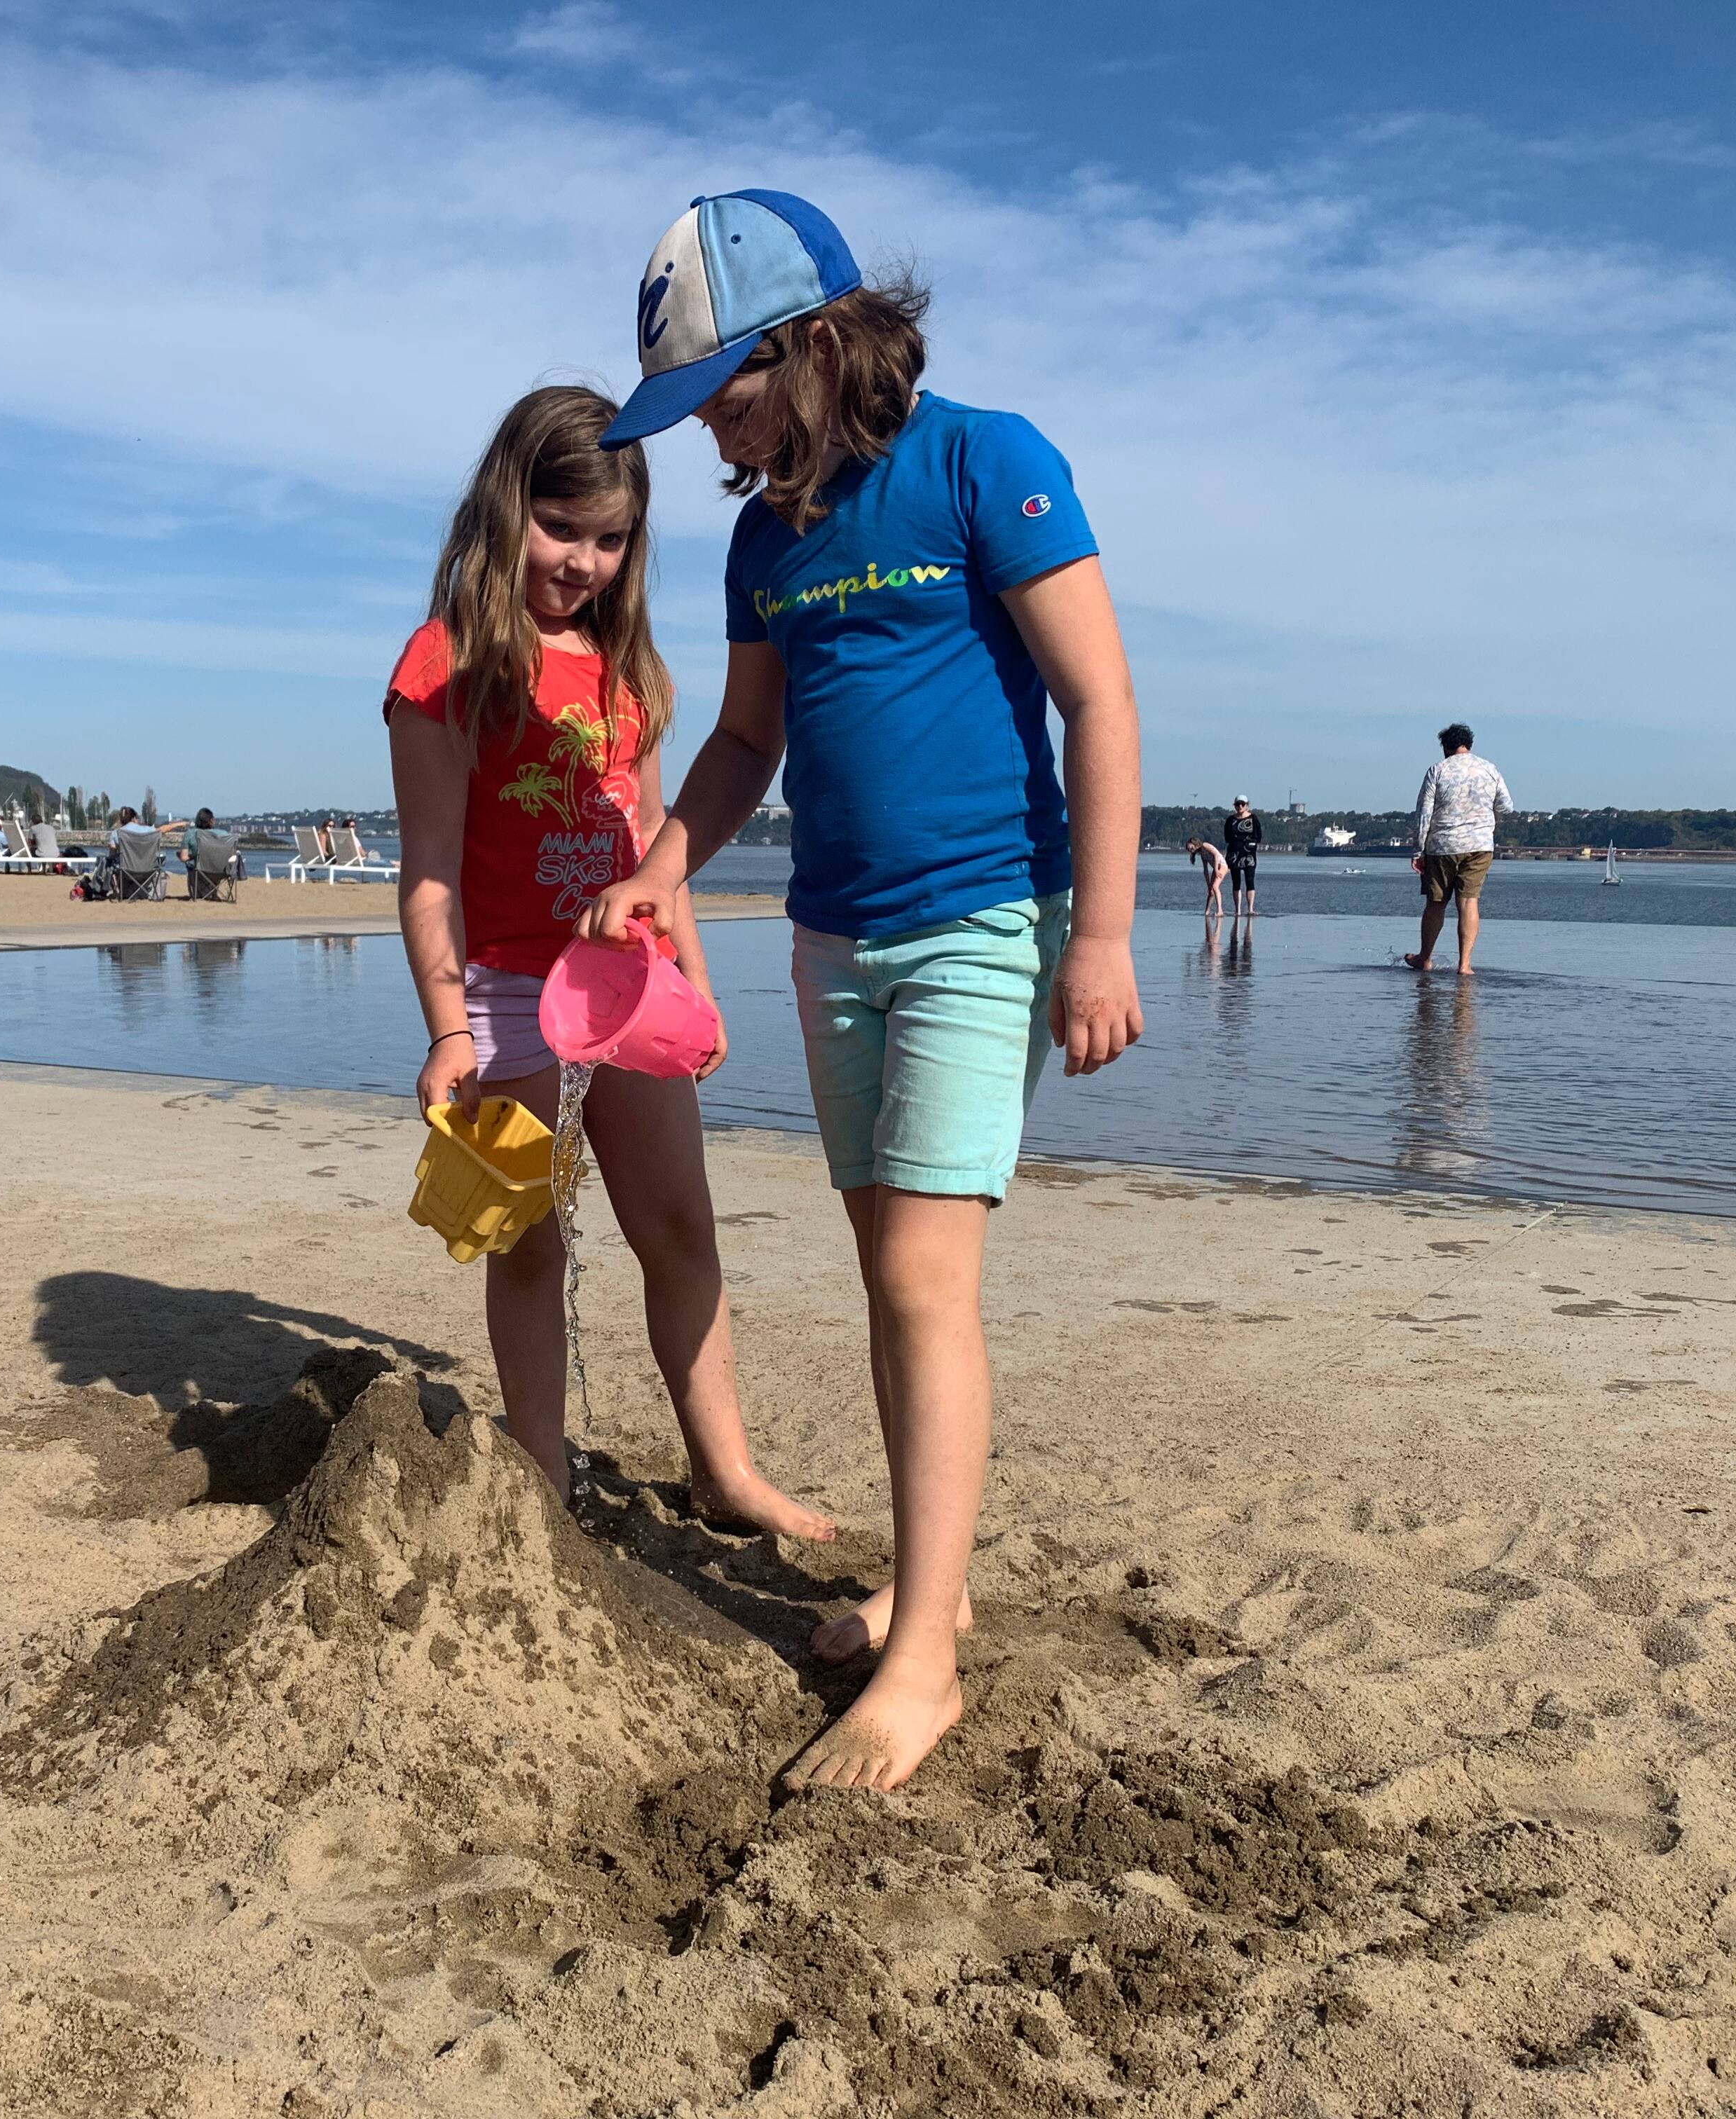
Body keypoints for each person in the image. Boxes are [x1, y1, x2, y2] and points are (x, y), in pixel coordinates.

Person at [580, 190, 1143, 1792]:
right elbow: (750, 740)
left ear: (817, 341)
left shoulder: (985, 460)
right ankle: (933, 1578)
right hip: (834, 935)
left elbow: (1100, 703)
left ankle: (922, 1664)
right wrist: (669, 860)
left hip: (985, 922)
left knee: (917, 1279)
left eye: (728, 397)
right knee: (900, 1274)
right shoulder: (769, 539)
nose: (716, 442)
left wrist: (1100, 938)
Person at [388, 382, 831, 1549]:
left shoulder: (625, 671)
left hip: (627, 988)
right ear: (504, 508)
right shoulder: (447, 663)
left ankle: (723, 1467)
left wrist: (691, 974)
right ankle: (542, 1471)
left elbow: (648, 846)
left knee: (680, 1227)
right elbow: (428, 867)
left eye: (609, 536)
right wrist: (448, 1029)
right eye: (559, 526)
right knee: (525, 1237)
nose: (581, 559)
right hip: (497, 991)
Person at [1406, 722, 1513, 975]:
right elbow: (1507, 806)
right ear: (1469, 744)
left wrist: (1418, 851)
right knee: (1469, 902)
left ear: (1446, 747)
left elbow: (1424, 814)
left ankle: (1426, 958)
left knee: (1436, 902)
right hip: (1479, 845)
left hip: (1443, 845)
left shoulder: (1438, 770)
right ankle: (1465, 965)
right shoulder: (1489, 769)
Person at [1222, 797, 1263, 917]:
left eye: (1242, 804)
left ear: (1246, 805)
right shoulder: (1230, 820)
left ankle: (1250, 909)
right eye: (1237, 804)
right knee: (1236, 882)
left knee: (1250, 880)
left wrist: (1249, 843)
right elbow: (1227, 837)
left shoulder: (1253, 818)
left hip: (1249, 853)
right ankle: (1238, 910)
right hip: (1234, 854)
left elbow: (1258, 836)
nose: (1240, 806)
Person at [1185, 835, 1226, 918]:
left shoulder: (1205, 845)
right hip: (1216, 868)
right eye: (1189, 850)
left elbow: (1216, 855)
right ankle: (1207, 911)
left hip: (1221, 865)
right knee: (1211, 891)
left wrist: (1216, 870)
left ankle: (1220, 910)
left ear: (1195, 844)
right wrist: (1208, 885)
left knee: (1215, 887)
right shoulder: (1202, 855)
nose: (1190, 850)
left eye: (1190, 848)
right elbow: (1206, 871)